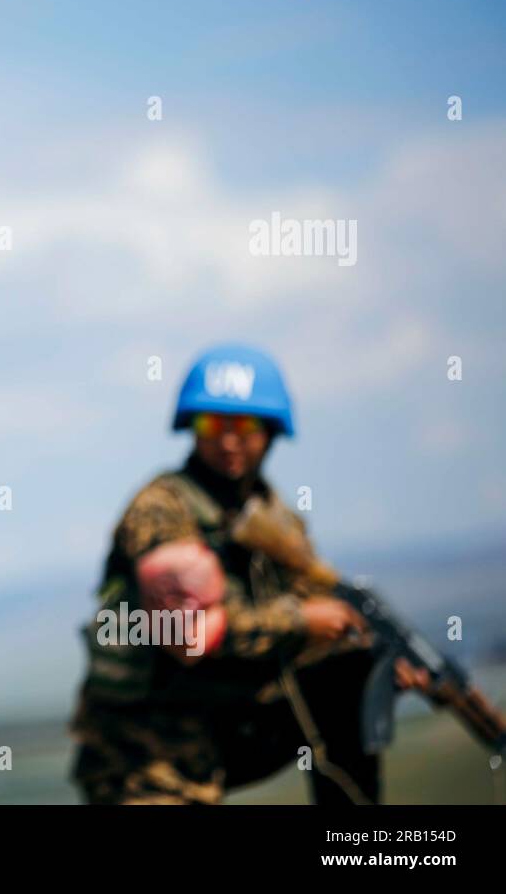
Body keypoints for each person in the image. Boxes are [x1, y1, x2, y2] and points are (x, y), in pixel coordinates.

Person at [69, 344, 428, 804]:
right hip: (143, 750)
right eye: (212, 425)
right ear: (191, 429)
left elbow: (318, 616)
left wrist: (378, 664)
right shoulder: (160, 510)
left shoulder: (275, 520)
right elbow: (187, 634)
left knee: (352, 675)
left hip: (226, 728)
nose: (228, 441)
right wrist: (302, 620)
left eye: (246, 427)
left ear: (271, 432)